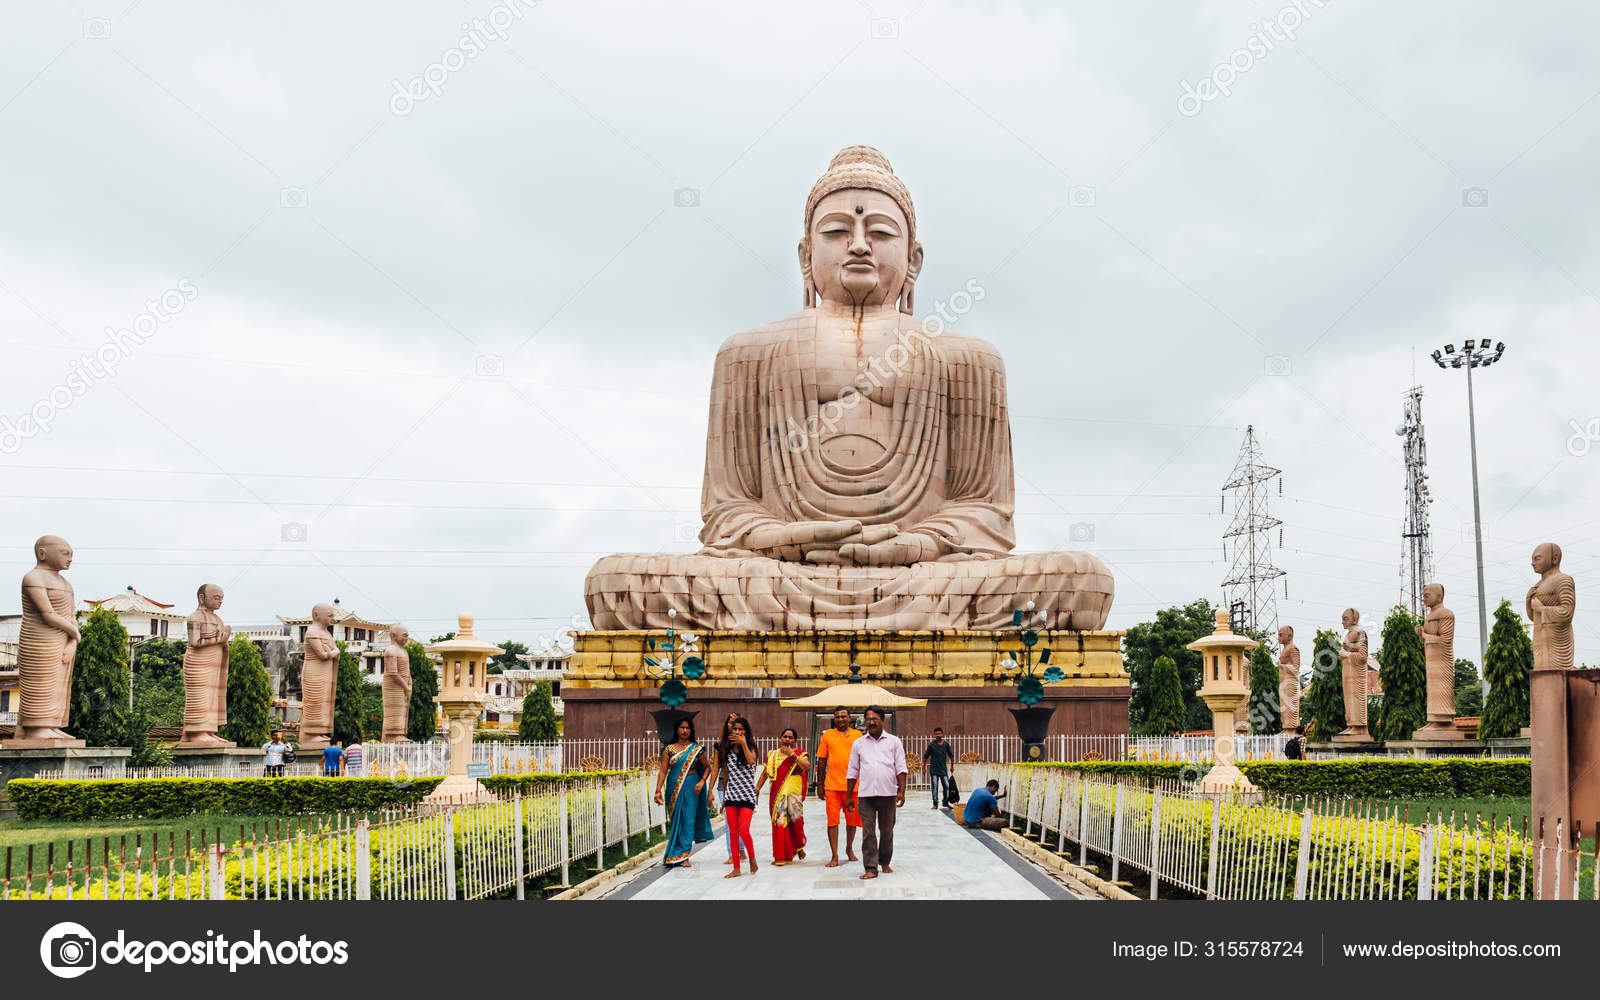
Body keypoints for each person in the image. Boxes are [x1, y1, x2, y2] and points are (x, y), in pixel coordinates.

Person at [845, 706, 907, 880]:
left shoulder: (894, 741)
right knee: (868, 832)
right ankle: (871, 867)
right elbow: (852, 771)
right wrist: (850, 796)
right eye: (868, 719)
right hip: (866, 796)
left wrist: (902, 791)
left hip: (888, 794)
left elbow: (901, 767)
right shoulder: (858, 743)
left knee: (887, 830)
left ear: (882, 720)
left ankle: (884, 861)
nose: (871, 722)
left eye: (874, 719)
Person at [654, 717, 714, 867]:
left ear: (691, 730)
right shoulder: (669, 749)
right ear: (677, 729)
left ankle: (684, 855)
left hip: (691, 787)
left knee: (688, 820)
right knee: (676, 821)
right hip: (673, 788)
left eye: (688, 728)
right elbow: (663, 771)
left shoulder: (697, 750)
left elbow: (707, 767)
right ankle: (674, 853)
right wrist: (657, 790)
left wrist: (702, 781)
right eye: (682, 727)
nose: (685, 730)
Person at [814, 706, 862, 867]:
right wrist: (819, 784)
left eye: (843, 716)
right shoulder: (828, 735)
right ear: (834, 719)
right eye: (837, 717)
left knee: (852, 822)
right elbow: (821, 760)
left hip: (853, 787)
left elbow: (864, 760)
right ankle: (834, 856)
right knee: (832, 821)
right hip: (832, 786)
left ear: (850, 718)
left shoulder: (858, 735)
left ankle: (849, 848)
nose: (840, 719)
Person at [754, 726, 809, 865]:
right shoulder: (772, 755)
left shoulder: (800, 753)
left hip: (793, 796)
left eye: (790, 737)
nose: (787, 739)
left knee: (795, 824)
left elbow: (806, 766)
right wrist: (757, 788)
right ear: (780, 739)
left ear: (795, 741)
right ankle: (780, 856)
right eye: (785, 736)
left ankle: (798, 847)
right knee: (779, 823)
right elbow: (765, 773)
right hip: (777, 795)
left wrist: (792, 755)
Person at [718, 714, 761, 878]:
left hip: (746, 796)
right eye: (735, 729)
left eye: (741, 729)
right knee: (733, 833)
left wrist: (743, 743)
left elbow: (751, 761)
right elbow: (727, 774)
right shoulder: (727, 750)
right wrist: (724, 799)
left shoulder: (751, 747)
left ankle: (751, 858)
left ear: (746, 731)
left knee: (744, 830)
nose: (737, 731)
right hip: (731, 796)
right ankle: (736, 868)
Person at [922, 727, 956, 810]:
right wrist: (923, 767)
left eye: (939, 733)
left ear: (942, 734)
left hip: (943, 770)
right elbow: (925, 756)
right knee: (935, 787)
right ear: (934, 735)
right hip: (934, 770)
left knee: (947, 786)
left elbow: (951, 756)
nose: (938, 735)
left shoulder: (946, 744)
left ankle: (945, 802)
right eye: (936, 734)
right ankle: (935, 804)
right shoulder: (931, 745)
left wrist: (952, 766)